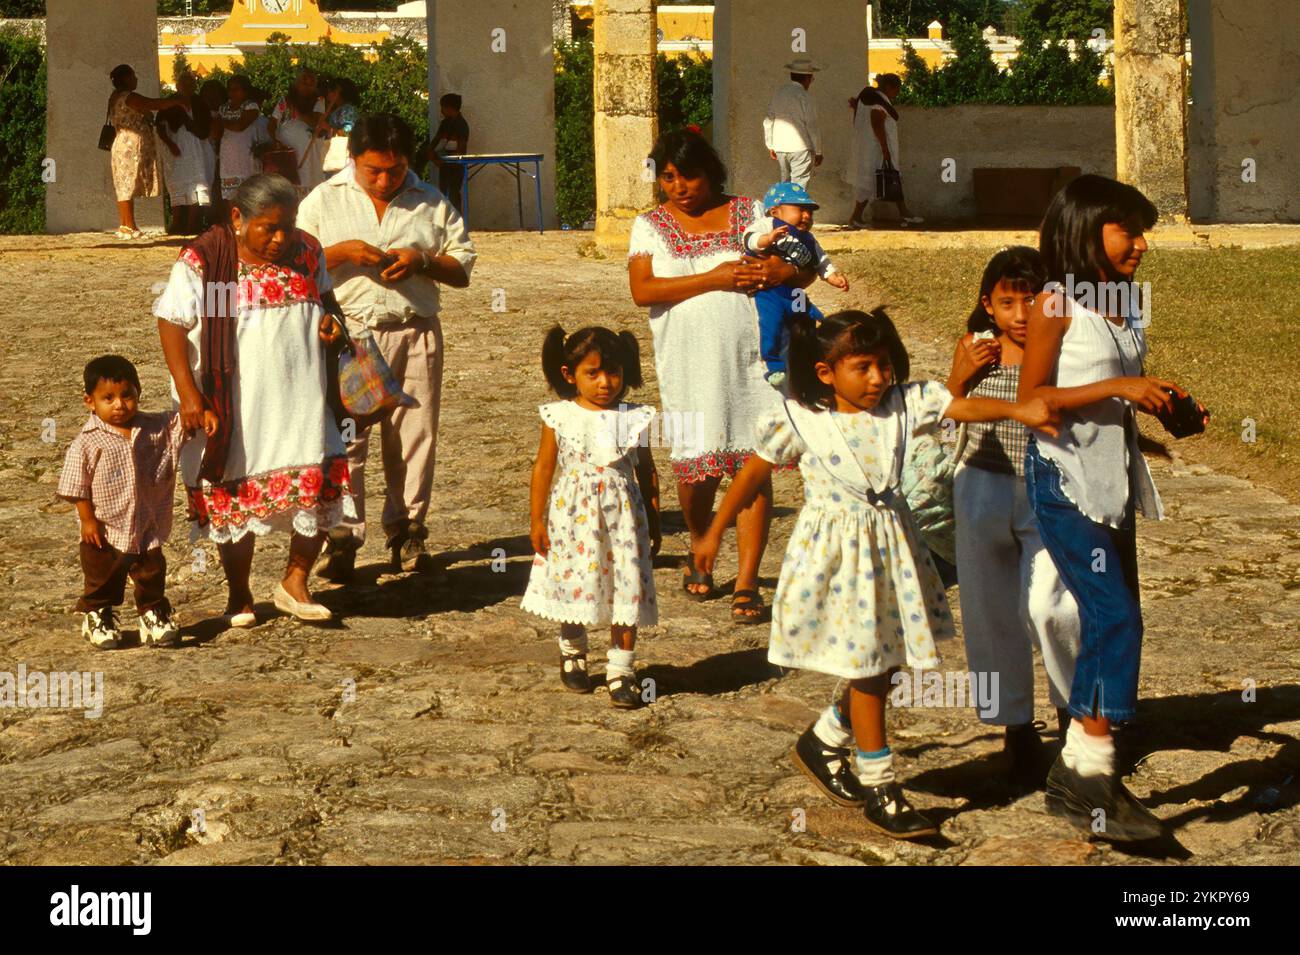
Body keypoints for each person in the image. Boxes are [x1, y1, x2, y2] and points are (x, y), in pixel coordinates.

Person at [695, 309, 1060, 838]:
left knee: (890, 664)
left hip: (893, 553)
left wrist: (1021, 410)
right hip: (839, 563)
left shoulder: (904, 406)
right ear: (826, 373)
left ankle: (823, 740)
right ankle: (881, 786)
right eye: (863, 367)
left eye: (883, 364)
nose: (878, 377)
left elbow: (961, 404)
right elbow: (752, 475)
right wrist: (713, 532)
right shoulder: (801, 420)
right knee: (870, 670)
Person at [1020, 174, 1206, 841]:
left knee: (1117, 618)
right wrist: (1117, 385)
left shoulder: (1124, 300)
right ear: (1085, 228)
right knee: (1114, 615)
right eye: (1130, 229)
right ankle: (1092, 771)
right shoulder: (1053, 304)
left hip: (1114, 479)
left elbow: (1121, 393)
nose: (1144, 245)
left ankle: (1076, 765)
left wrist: (1168, 409)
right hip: (1066, 480)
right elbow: (1032, 400)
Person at [627, 129, 814, 625]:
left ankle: (748, 579)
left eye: (689, 175)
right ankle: (699, 541)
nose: (679, 186)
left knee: (753, 468)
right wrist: (716, 278)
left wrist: (777, 274)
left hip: (750, 361)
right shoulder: (649, 225)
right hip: (686, 364)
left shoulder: (747, 212)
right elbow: (643, 290)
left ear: (711, 173)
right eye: (668, 176)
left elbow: (801, 261)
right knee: (696, 471)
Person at [154, 173, 355, 626]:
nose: (281, 238)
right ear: (238, 218)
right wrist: (190, 395)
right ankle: (239, 594)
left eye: (288, 224)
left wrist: (332, 326)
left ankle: (295, 581)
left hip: (303, 399)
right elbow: (171, 321)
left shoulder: (307, 251)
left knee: (320, 478)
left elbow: (326, 304)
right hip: (234, 408)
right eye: (269, 227)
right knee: (234, 490)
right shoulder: (209, 260)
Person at [297, 113, 476, 580]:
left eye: (393, 171)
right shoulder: (323, 200)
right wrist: (344, 253)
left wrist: (421, 260)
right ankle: (342, 538)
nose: (382, 180)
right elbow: (297, 261)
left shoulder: (431, 201)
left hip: (414, 330)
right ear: (352, 158)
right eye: (372, 170)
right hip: (349, 334)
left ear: (408, 164)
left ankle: (408, 529)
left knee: (414, 434)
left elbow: (461, 268)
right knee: (346, 440)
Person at [946, 246, 1081, 784]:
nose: (1022, 314)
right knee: (988, 609)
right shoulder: (976, 352)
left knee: (1052, 604)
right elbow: (939, 411)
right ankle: (1014, 729)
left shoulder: (1060, 350)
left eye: (1032, 300)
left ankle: (1075, 719)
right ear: (988, 305)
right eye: (1008, 302)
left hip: (1047, 485)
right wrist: (958, 377)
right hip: (979, 483)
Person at [521, 326, 661, 707]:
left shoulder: (636, 417)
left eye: (613, 372)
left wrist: (655, 516)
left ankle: (622, 669)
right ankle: (573, 652)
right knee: (575, 581)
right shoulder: (558, 416)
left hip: (625, 522)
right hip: (573, 519)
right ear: (570, 375)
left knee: (626, 587)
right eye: (593, 373)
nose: (605, 383)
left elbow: (646, 471)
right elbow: (544, 467)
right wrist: (537, 519)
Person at [56, 355, 204, 650]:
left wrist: (202, 416)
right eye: (107, 398)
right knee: (102, 578)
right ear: (90, 401)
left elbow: (182, 425)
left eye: (127, 396)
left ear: (138, 393)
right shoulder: (87, 442)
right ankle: (98, 615)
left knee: (151, 573)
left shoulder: (154, 427)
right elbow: (76, 486)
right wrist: (87, 520)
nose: (119, 405)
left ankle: (152, 614)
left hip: (146, 522)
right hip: (104, 528)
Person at [741, 180, 849, 387]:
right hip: (768, 292)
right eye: (800, 209)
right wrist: (767, 239)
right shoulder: (768, 225)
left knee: (806, 320)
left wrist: (833, 276)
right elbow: (749, 239)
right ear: (775, 211)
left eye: (810, 212)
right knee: (770, 324)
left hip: (793, 291)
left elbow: (821, 260)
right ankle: (773, 365)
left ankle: (813, 352)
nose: (807, 216)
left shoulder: (808, 238)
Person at [106, 64, 182, 240]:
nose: (136, 79)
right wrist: (176, 101)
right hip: (130, 145)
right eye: (133, 76)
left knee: (125, 183)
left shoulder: (115, 97)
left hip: (123, 143)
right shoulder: (128, 97)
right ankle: (127, 225)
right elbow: (153, 104)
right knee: (126, 184)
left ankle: (127, 224)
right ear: (126, 78)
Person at [845, 73, 922, 228]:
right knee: (890, 178)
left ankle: (857, 217)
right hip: (877, 150)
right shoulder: (878, 102)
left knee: (872, 182)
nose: (897, 93)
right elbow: (877, 123)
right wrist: (885, 148)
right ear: (888, 87)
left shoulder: (867, 99)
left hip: (867, 149)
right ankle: (903, 214)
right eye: (896, 90)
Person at [156, 71, 214, 236]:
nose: (188, 87)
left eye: (191, 84)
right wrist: (170, 144)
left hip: (198, 150)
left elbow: (205, 126)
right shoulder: (170, 102)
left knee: (197, 186)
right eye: (184, 84)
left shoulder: (199, 103)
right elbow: (160, 125)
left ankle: (192, 225)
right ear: (177, 85)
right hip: (178, 150)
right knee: (178, 185)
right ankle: (176, 224)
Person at [763, 58, 823, 188]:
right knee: (798, 187)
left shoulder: (779, 93)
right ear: (807, 78)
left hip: (780, 147)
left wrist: (771, 145)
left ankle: (786, 207)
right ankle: (796, 207)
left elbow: (768, 120)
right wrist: (818, 151)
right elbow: (811, 125)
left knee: (785, 184)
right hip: (800, 148)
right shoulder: (804, 96)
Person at [268, 69, 327, 196]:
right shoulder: (285, 100)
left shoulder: (319, 101)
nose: (306, 87)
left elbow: (314, 121)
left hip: (309, 156)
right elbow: (272, 123)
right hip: (288, 154)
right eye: (303, 83)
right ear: (296, 84)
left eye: (311, 84)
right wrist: (275, 141)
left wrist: (295, 109)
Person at [215, 75, 261, 207]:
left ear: (245, 91)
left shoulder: (251, 106)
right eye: (230, 89)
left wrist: (221, 122)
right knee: (231, 200)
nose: (232, 93)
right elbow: (216, 133)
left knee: (249, 199)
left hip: (247, 158)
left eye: (236, 89)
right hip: (228, 159)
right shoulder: (223, 108)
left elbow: (240, 126)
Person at [423, 93, 469, 214]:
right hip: (445, 164)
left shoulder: (461, 125)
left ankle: (457, 222)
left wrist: (442, 159)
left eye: (442, 107)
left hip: (456, 165)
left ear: (449, 108)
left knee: (454, 193)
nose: (441, 111)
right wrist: (431, 153)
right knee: (443, 194)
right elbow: (435, 141)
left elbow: (461, 150)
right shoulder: (445, 124)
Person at [316, 77, 361, 177]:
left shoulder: (347, 110)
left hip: (342, 152)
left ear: (339, 93)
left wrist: (328, 128)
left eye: (332, 91)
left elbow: (349, 130)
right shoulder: (339, 109)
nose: (328, 93)